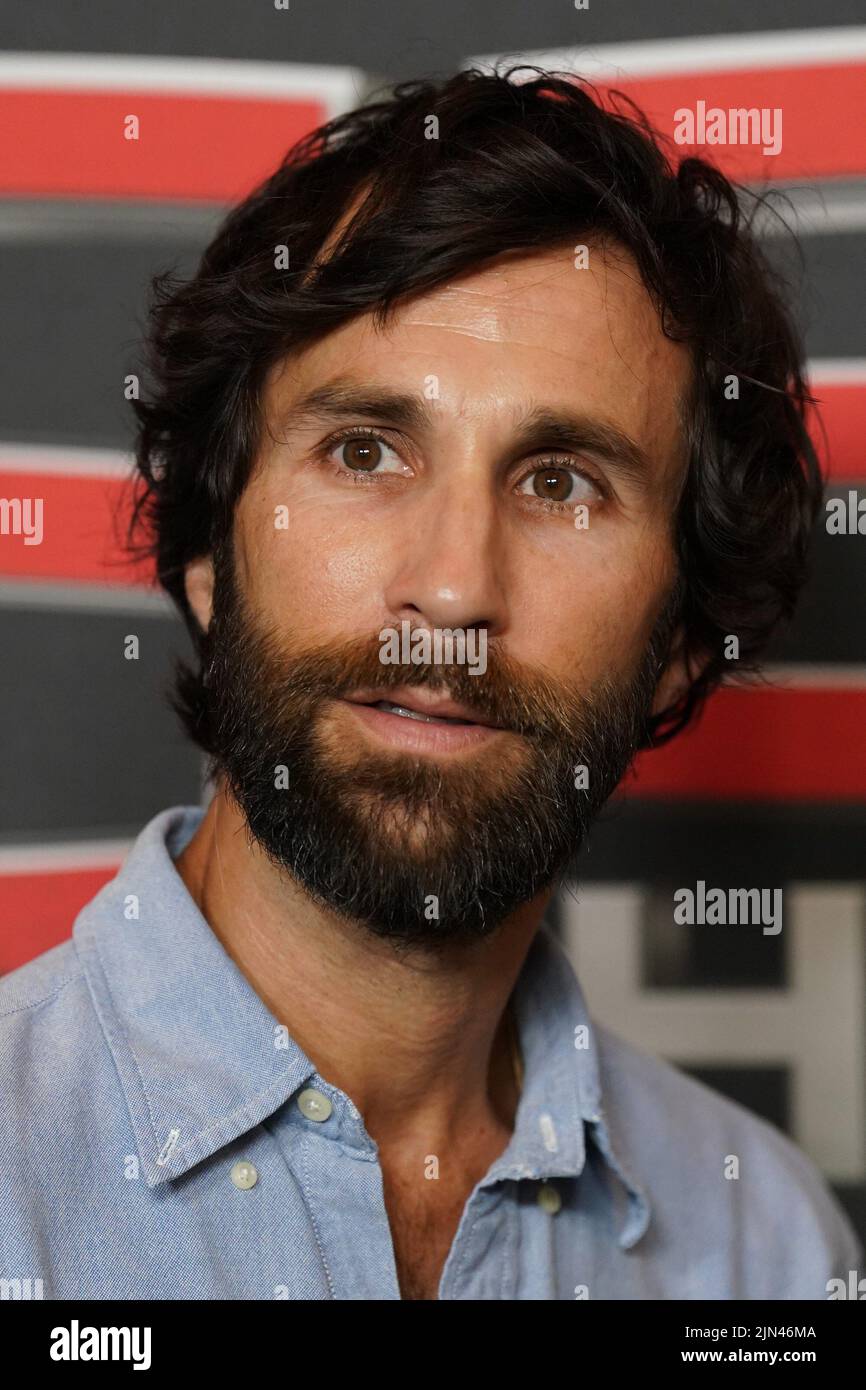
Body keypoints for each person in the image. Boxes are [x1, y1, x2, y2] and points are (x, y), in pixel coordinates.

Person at [1, 67, 861, 1301]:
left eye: (561, 482)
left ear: (679, 629)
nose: (452, 591)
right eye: (363, 451)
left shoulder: (762, 1253)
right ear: (207, 553)